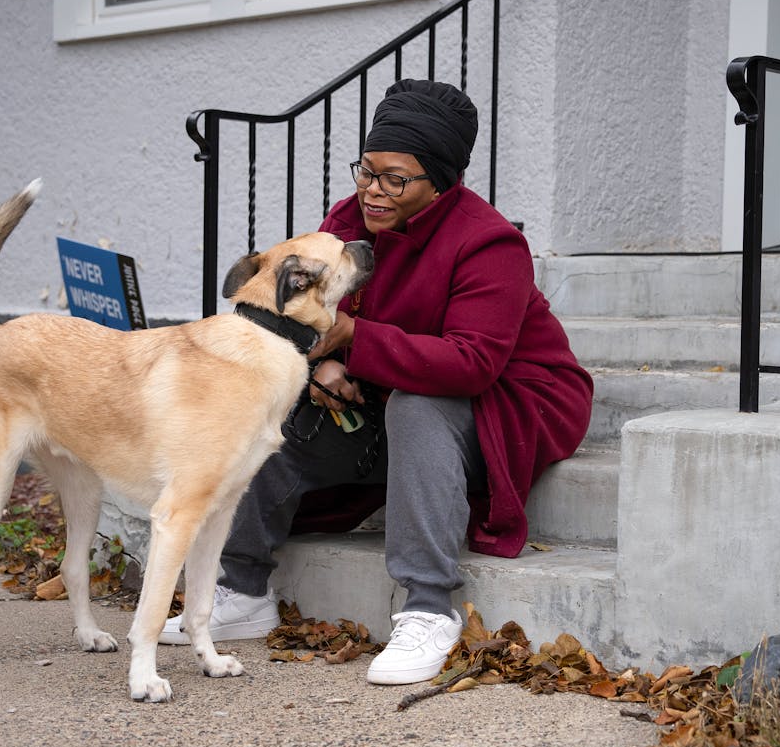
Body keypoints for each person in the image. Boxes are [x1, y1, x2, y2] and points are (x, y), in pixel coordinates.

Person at [161, 78, 594, 685]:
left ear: (439, 181)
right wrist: (318, 365)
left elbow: (472, 363)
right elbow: (308, 315)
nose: (372, 190)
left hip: (511, 400)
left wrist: (351, 343)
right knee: (270, 397)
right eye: (367, 170)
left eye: (396, 178)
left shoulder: (490, 243)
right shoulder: (348, 223)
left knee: (419, 405)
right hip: (386, 389)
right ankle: (241, 588)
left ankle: (428, 608)